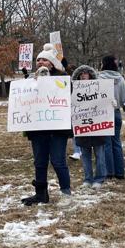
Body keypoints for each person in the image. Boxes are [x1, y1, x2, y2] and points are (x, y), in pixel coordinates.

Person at [21, 44, 71, 206]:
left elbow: (66, 92)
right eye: (38, 60)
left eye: (44, 59)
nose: (40, 62)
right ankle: (41, 194)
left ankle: (66, 193)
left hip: (57, 128)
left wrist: (49, 78)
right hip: (38, 129)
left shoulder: (62, 77)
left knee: (58, 161)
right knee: (40, 162)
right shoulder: (30, 80)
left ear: (51, 63)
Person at [71, 65, 107, 189]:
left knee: (100, 154)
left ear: (90, 75)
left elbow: (104, 103)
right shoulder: (73, 91)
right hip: (82, 127)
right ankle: (88, 178)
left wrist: (111, 103)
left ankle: (100, 178)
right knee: (85, 155)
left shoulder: (100, 88)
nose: (83, 75)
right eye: (81, 74)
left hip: (98, 127)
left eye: (85, 73)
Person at [99, 55, 125, 180]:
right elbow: (124, 98)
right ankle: (120, 172)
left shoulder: (99, 78)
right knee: (116, 142)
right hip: (116, 112)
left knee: (106, 144)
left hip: (103, 113)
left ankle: (109, 172)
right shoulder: (120, 79)